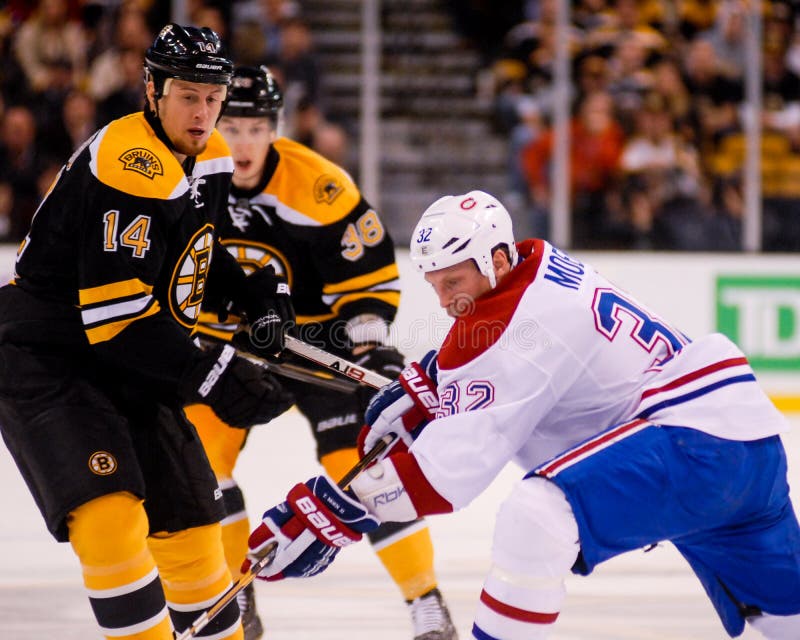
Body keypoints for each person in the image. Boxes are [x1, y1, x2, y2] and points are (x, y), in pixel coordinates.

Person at [242, 190, 800, 639]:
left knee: (536, 517)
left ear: (497, 259)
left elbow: (450, 471)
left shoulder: (515, 327)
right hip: (742, 449)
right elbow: (511, 360)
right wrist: (431, 383)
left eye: (454, 282)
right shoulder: (540, 270)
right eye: (435, 286)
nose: (444, 302)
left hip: (693, 447)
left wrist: (333, 510)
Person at [0, 24, 297, 640]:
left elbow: (193, 254)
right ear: (153, 89)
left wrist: (254, 297)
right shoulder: (128, 160)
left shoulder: (209, 152)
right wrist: (216, 370)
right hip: (50, 356)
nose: (204, 111)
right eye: (189, 94)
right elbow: (115, 318)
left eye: (213, 97)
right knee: (110, 521)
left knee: (191, 532)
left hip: (135, 356)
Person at [188, 64, 457, 640]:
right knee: (202, 465)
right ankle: (236, 598)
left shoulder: (318, 185)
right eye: (230, 126)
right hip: (228, 344)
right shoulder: (185, 179)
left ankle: (425, 600)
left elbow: (366, 280)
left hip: (316, 342)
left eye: (255, 128)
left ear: (275, 129)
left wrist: (368, 344)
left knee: (359, 469)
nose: (242, 142)